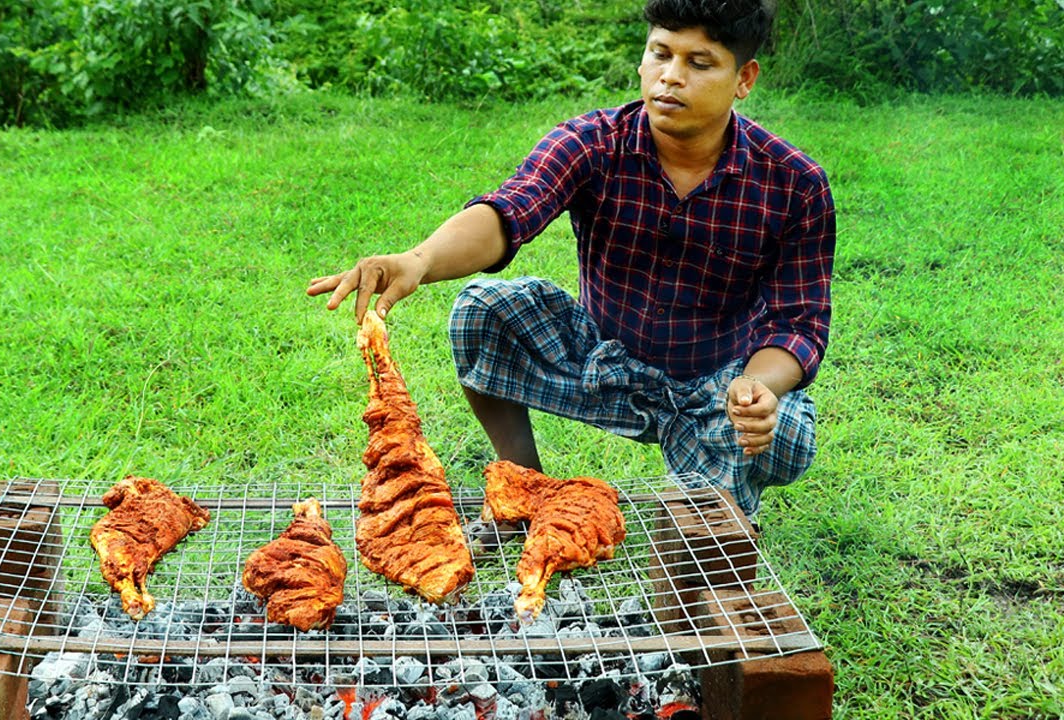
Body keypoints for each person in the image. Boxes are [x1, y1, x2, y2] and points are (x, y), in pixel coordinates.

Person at [307, 0, 834, 519]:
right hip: (602, 363)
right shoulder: (592, 142)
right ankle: (527, 491)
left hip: (715, 387)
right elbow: (510, 211)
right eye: (660, 53)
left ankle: (711, 515)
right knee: (484, 311)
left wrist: (757, 387)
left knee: (781, 431)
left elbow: (799, 323)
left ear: (744, 78)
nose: (670, 77)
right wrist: (418, 260)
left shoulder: (794, 183)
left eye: (698, 63)